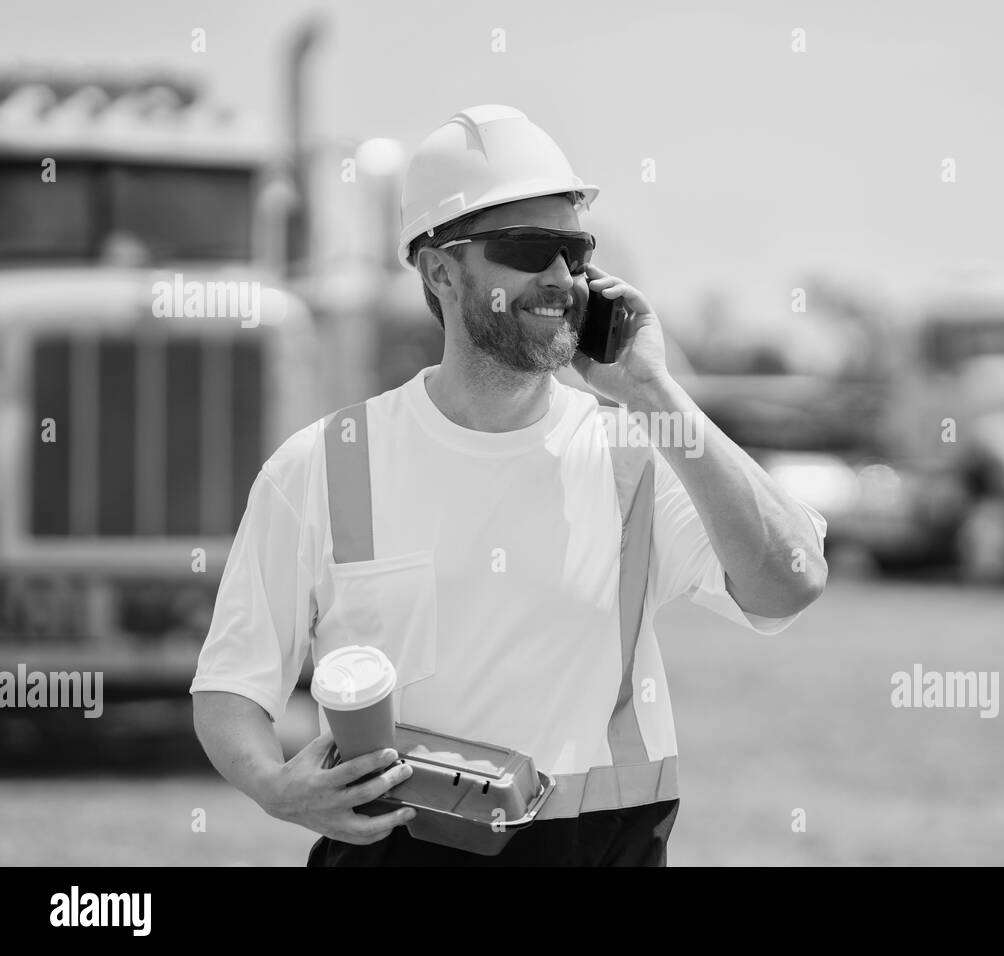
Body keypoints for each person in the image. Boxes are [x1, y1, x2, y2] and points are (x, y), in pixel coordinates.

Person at [190, 104, 828, 866]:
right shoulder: (322, 465)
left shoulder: (635, 452)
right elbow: (230, 688)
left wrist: (654, 390)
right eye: (530, 248)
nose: (559, 277)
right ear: (440, 270)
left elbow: (791, 582)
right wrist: (273, 786)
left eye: (575, 250)